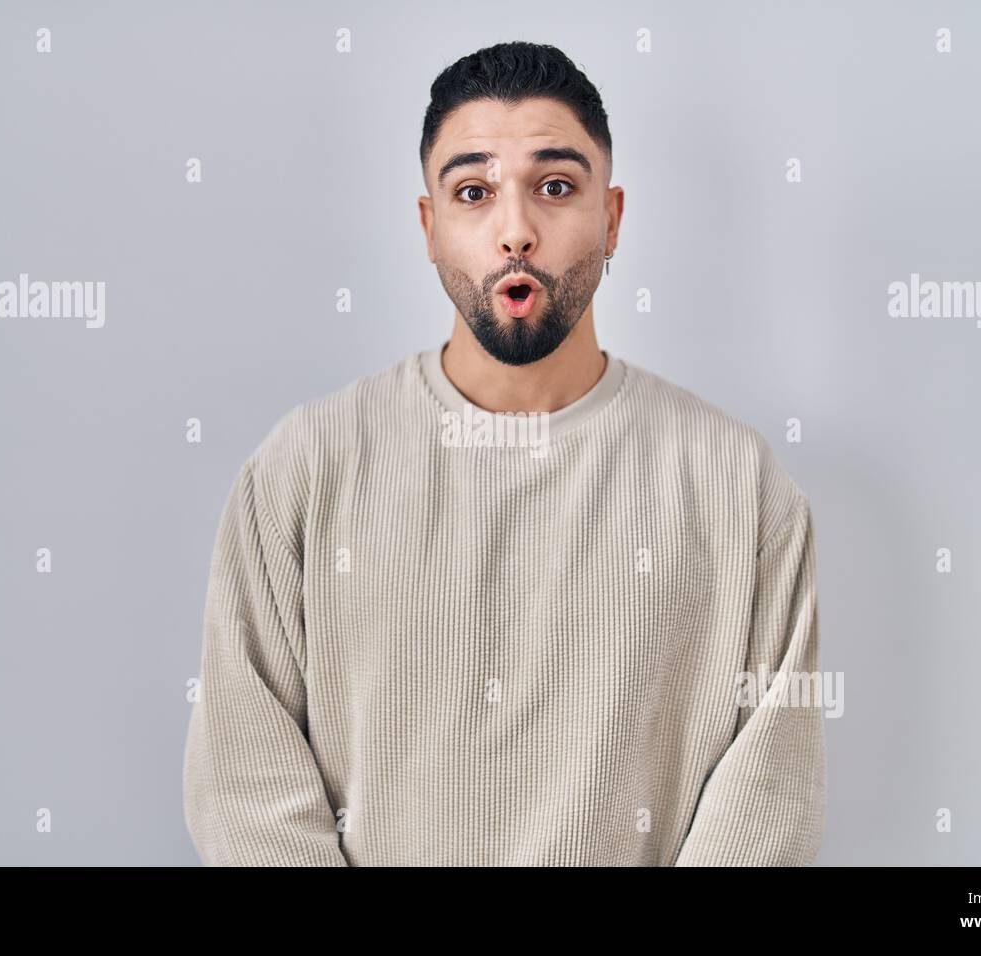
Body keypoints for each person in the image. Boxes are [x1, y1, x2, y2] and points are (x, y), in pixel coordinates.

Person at [183, 41, 825, 866]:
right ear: (429, 226)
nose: (515, 230)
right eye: (474, 192)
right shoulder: (306, 468)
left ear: (613, 216)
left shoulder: (737, 483)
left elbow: (769, 801)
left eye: (555, 188)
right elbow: (245, 787)